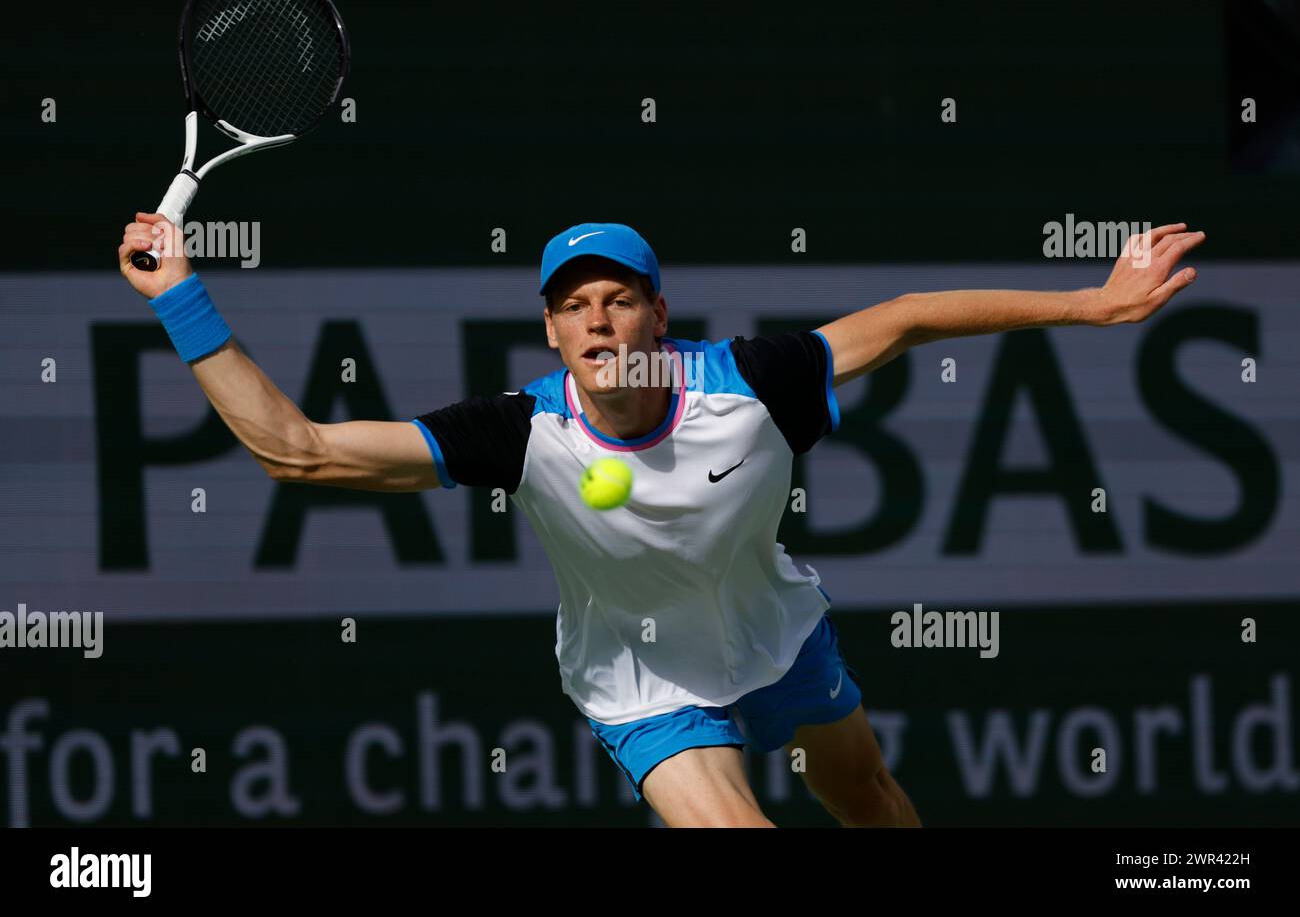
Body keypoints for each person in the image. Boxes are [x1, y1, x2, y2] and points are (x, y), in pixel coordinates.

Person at [116, 216, 1204, 827]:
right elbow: (294, 448)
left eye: (618, 295)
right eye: (574, 302)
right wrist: (181, 297)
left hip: (780, 636)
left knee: (866, 792)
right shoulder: (521, 432)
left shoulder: (755, 379)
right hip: (646, 686)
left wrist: (1094, 302)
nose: (597, 314)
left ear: (656, 316)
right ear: (552, 332)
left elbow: (912, 317)